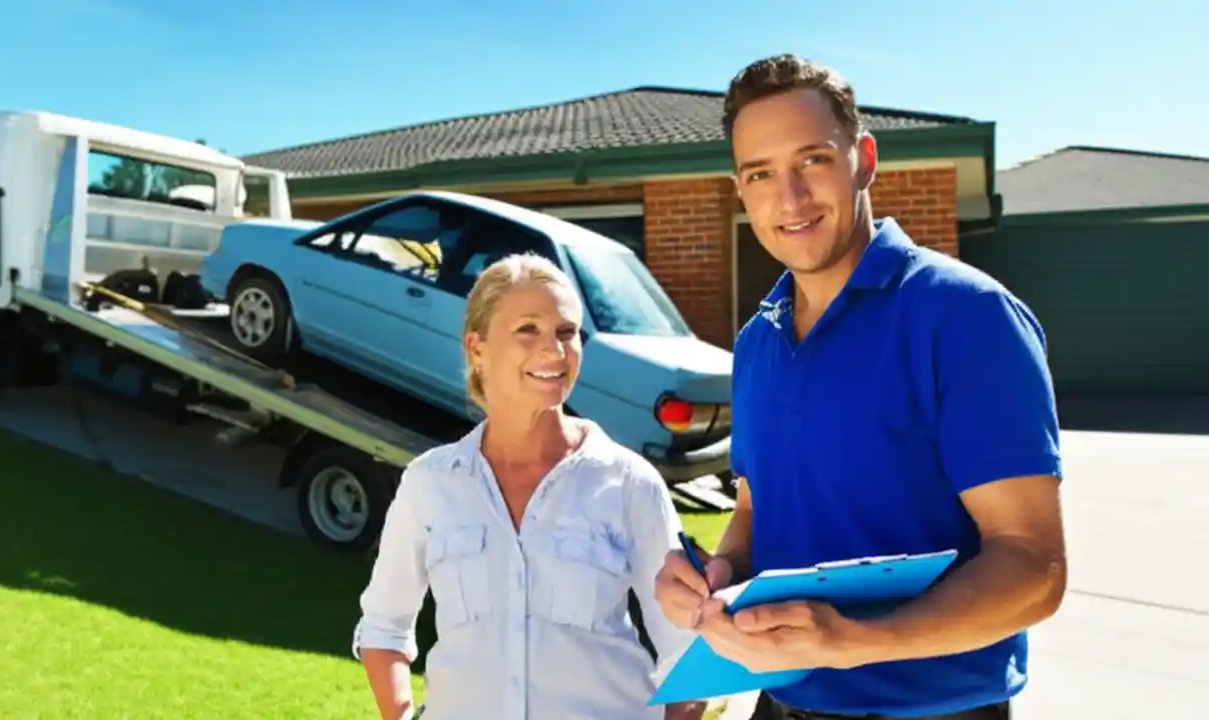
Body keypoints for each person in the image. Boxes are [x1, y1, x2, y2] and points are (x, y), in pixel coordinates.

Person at [654, 54, 1068, 720]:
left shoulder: (966, 317)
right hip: (781, 702)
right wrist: (718, 577)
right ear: (741, 190)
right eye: (761, 174)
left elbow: (1033, 568)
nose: (788, 199)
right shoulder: (759, 342)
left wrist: (859, 643)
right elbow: (758, 516)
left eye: (812, 160)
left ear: (864, 160)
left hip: (932, 711)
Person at [354, 252, 706, 720]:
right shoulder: (428, 484)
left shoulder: (628, 483)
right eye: (528, 330)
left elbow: (689, 648)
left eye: (567, 333)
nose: (555, 352)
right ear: (476, 348)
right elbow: (383, 627)